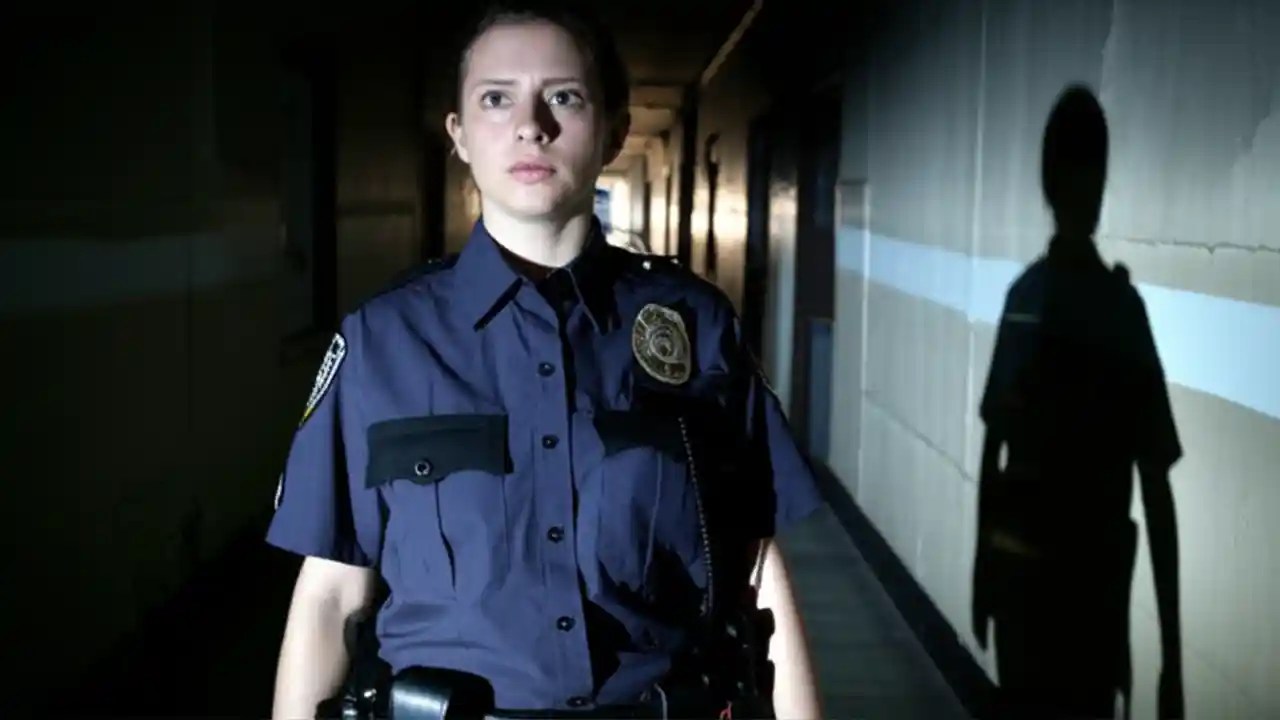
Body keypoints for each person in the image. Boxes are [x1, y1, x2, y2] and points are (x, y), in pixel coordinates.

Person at [266, 2, 825, 717]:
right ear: (459, 136)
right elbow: (331, 593)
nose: (531, 124)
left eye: (564, 96)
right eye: (497, 99)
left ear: (615, 131)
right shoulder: (384, 342)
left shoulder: (693, 324)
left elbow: (758, 571)